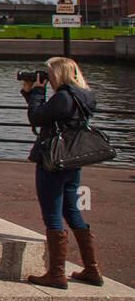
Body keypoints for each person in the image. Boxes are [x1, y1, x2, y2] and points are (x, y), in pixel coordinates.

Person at [21, 57, 102, 288]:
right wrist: (31, 94)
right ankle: (92, 269)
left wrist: (37, 92)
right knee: (72, 210)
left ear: (59, 74)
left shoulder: (63, 97)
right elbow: (49, 115)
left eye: (49, 73)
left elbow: (37, 117)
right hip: (72, 160)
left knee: (52, 214)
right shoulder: (84, 96)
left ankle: (56, 273)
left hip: (53, 161)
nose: (46, 78)